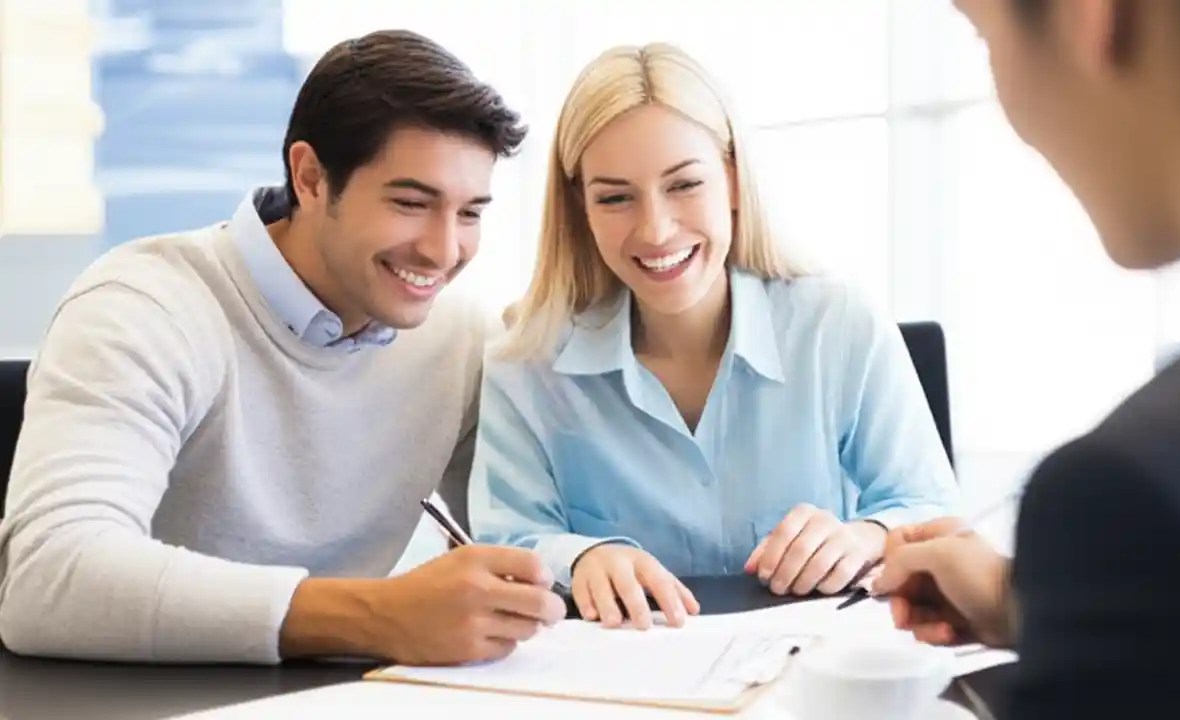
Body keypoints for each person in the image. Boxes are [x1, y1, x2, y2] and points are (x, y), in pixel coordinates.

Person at [0, 29, 566, 666]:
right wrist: (377, 615)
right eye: (410, 203)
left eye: (470, 214)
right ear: (310, 177)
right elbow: (46, 577)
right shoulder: (142, 308)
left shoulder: (460, 340)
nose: (442, 250)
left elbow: (523, 533)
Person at [873, 0, 1180, 716]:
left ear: (1088, 14)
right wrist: (1045, 603)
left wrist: (1108, 574)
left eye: (983, 32)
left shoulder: (1139, 490)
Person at [468, 43, 957, 630]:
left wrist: (868, 535)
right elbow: (508, 540)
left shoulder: (835, 322)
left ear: (730, 178)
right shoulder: (524, 363)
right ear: (581, 207)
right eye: (616, 197)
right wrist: (582, 556)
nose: (656, 229)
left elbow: (931, 509)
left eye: (684, 185)